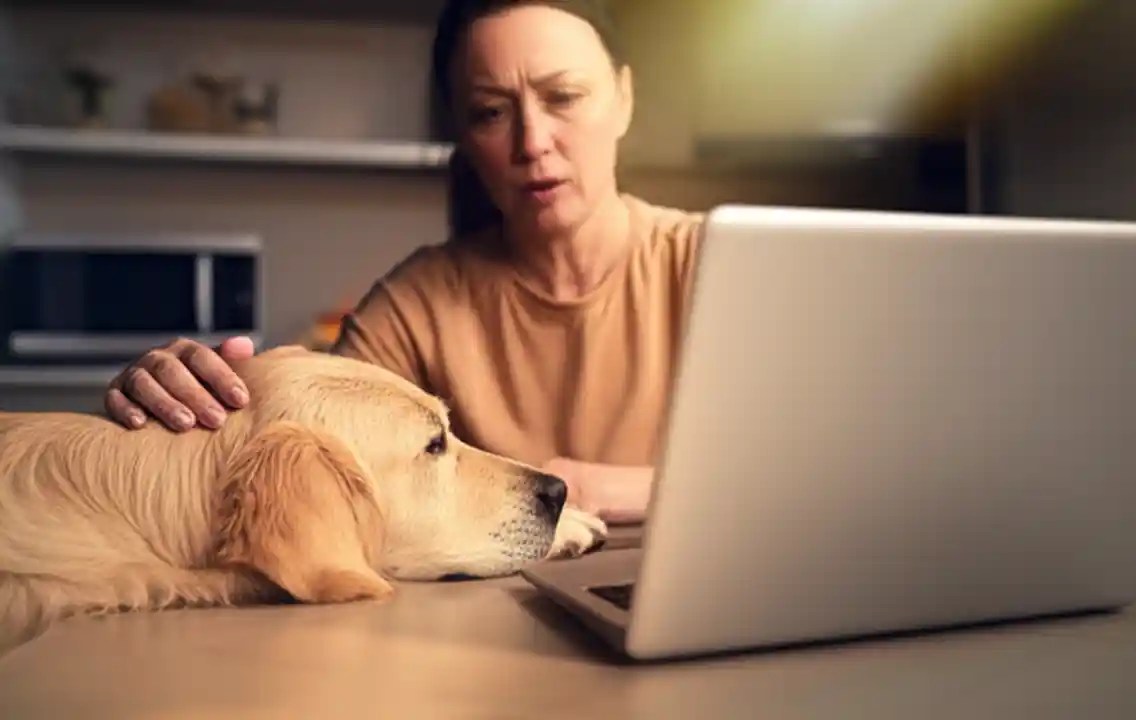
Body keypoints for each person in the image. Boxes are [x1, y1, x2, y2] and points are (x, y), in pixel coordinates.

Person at [102, 0, 704, 526]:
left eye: (564, 97)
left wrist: (606, 488)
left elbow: (798, 476)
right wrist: (185, 415)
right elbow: (303, 471)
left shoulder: (711, 262)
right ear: (463, 137)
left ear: (623, 98)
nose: (532, 142)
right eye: (491, 112)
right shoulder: (415, 306)